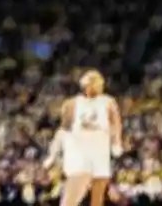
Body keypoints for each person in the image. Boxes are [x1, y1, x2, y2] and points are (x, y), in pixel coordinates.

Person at [52, 70, 122, 206]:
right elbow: (64, 128)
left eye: (99, 83)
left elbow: (116, 123)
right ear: (85, 86)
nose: (98, 87)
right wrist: (56, 151)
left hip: (100, 150)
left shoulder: (108, 102)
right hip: (81, 152)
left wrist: (116, 143)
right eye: (94, 83)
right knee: (75, 189)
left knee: (98, 192)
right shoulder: (73, 103)